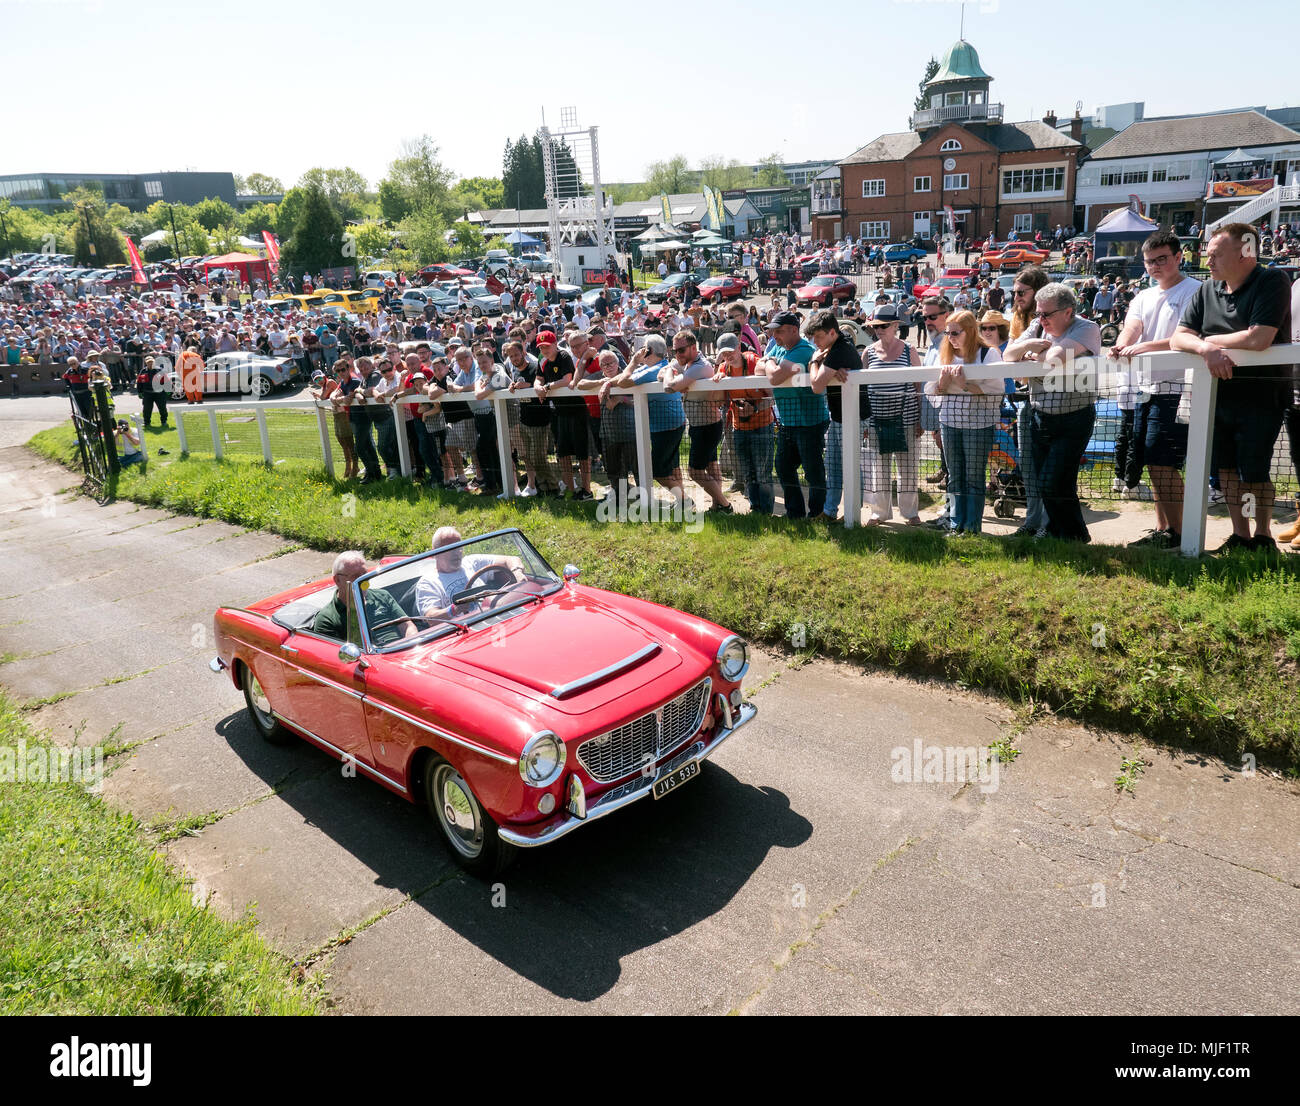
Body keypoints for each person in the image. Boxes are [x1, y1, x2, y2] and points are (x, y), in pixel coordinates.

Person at [1170, 222, 1293, 553]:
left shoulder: (1272, 280)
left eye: (1216, 254)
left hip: (1261, 396)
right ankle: (1241, 536)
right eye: (1207, 255)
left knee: (1253, 471)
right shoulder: (1207, 289)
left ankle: (1263, 534)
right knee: (1225, 469)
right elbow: (1178, 337)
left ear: (1245, 252)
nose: (1208, 261)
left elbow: (1258, 337)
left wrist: (1207, 340)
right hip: (1215, 396)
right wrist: (1205, 350)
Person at [1109, 230, 1201, 549]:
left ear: (1178, 257)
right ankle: (1165, 530)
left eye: (1161, 259)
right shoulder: (1143, 296)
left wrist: (1144, 347)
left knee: (1164, 462)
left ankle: (1182, 532)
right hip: (1146, 389)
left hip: (1182, 389)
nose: (1154, 266)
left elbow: (1186, 336)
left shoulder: (1196, 291)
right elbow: (1132, 328)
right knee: (1152, 461)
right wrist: (1121, 346)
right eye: (1149, 261)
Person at [1004, 283, 1102, 542]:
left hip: (1075, 416)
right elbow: (1007, 354)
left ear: (1068, 312)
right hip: (1040, 416)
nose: (1041, 319)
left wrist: (1031, 355)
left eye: (1046, 314)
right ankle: (1071, 536)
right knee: (1052, 482)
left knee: (1051, 480)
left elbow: (1054, 358)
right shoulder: (1037, 328)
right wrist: (1036, 343)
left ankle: (1064, 533)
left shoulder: (1087, 328)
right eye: (1038, 313)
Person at [924, 310, 1003, 534]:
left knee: (974, 476)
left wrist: (964, 384)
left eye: (955, 333)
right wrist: (942, 384)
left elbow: (996, 393)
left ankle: (971, 526)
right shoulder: (945, 355)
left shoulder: (989, 354)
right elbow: (932, 392)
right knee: (954, 475)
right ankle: (955, 523)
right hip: (949, 422)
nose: (951, 338)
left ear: (970, 331)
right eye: (947, 333)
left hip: (979, 425)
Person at [599, 333, 687, 505]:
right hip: (668, 425)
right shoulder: (652, 367)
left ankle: (685, 500)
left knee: (658, 471)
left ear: (649, 351)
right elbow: (620, 379)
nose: (639, 352)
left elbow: (623, 382)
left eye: (643, 349)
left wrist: (632, 362)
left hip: (666, 427)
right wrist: (607, 383)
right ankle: (682, 501)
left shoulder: (652, 370)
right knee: (674, 466)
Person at [759, 310, 827, 520]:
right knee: (784, 467)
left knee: (812, 469)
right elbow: (758, 367)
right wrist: (770, 363)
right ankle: (795, 512)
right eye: (773, 331)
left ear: (794, 330)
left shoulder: (803, 350)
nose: (774, 336)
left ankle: (817, 513)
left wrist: (769, 361)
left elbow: (774, 377)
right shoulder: (781, 350)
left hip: (810, 421)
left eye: (779, 331)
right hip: (789, 422)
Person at [862, 304, 923, 525]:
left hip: (906, 419)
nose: (879, 330)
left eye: (884, 326)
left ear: (896, 325)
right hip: (877, 420)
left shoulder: (910, 350)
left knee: (907, 469)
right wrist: (866, 423)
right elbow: (863, 389)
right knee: (879, 469)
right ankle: (879, 512)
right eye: (876, 326)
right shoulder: (868, 353)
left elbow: (918, 386)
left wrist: (919, 419)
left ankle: (909, 513)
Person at [806, 310, 865, 523]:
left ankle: (852, 513)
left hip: (854, 416)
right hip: (839, 416)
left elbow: (816, 385)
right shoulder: (837, 345)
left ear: (832, 332)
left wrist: (814, 362)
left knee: (852, 465)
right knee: (834, 464)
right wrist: (826, 366)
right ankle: (830, 512)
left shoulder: (839, 350)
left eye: (819, 337)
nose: (815, 342)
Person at [663, 329, 731, 511]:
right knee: (711, 465)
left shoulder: (699, 366)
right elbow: (661, 374)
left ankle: (724, 505)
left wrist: (674, 375)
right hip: (700, 425)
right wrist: (677, 376)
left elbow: (669, 387)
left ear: (693, 347)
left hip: (708, 426)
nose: (677, 355)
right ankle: (719, 505)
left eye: (681, 350)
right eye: (674, 351)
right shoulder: (688, 363)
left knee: (694, 471)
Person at [712, 333, 775, 514]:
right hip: (739, 428)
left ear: (739, 347)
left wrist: (753, 409)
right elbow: (719, 400)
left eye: (730, 351)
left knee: (763, 473)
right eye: (724, 354)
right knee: (748, 472)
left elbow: (772, 398)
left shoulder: (755, 362)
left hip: (762, 425)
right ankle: (755, 509)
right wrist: (717, 379)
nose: (728, 357)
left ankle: (766, 511)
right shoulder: (724, 369)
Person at [414, 527, 525, 619]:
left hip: (493, 616)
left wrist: (518, 573)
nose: (457, 553)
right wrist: (454, 609)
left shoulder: (471, 562)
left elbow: (510, 559)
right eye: (450, 549)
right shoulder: (428, 582)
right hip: (461, 632)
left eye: (459, 547)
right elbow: (431, 618)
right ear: (435, 552)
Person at [312, 550, 416, 646]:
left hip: (401, 653)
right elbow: (339, 658)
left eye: (365, 574)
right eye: (356, 576)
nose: (364, 581)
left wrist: (411, 644)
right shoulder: (327, 619)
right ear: (338, 580)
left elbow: (408, 626)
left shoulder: (382, 596)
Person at [534, 329, 592, 499]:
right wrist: (538, 387)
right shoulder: (543, 361)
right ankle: (570, 489)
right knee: (563, 454)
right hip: (558, 413)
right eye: (541, 347)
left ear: (554, 344)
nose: (544, 350)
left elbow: (567, 380)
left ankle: (587, 490)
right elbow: (539, 378)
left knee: (582, 453)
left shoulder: (564, 356)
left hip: (576, 411)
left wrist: (548, 387)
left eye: (547, 346)